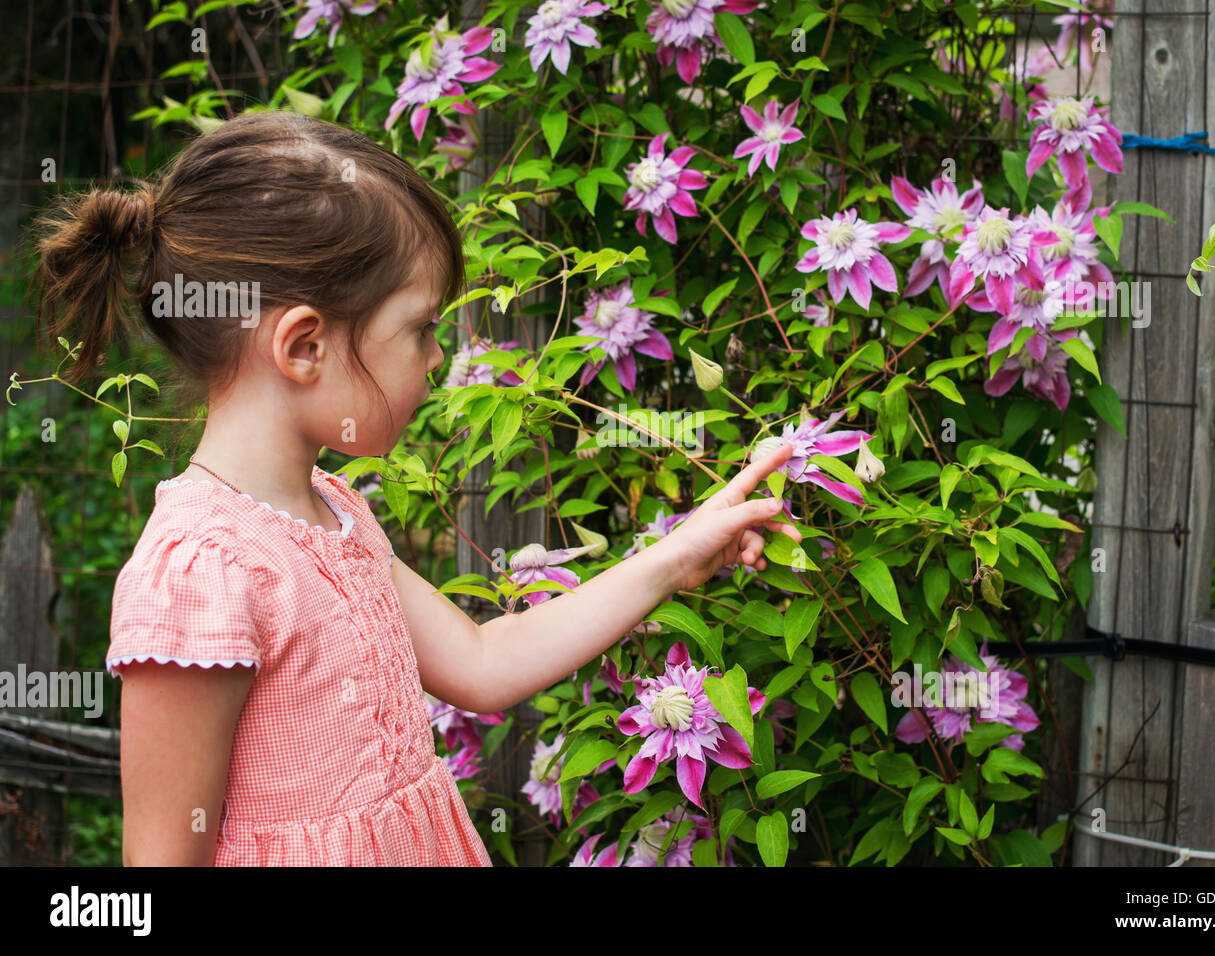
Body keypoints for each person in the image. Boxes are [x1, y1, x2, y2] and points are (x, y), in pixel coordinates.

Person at [27, 110, 798, 866]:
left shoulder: (336, 512)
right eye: (422, 328)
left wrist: (676, 553)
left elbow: (485, 663)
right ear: (305, 346)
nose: (437, 359)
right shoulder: (201, 574)